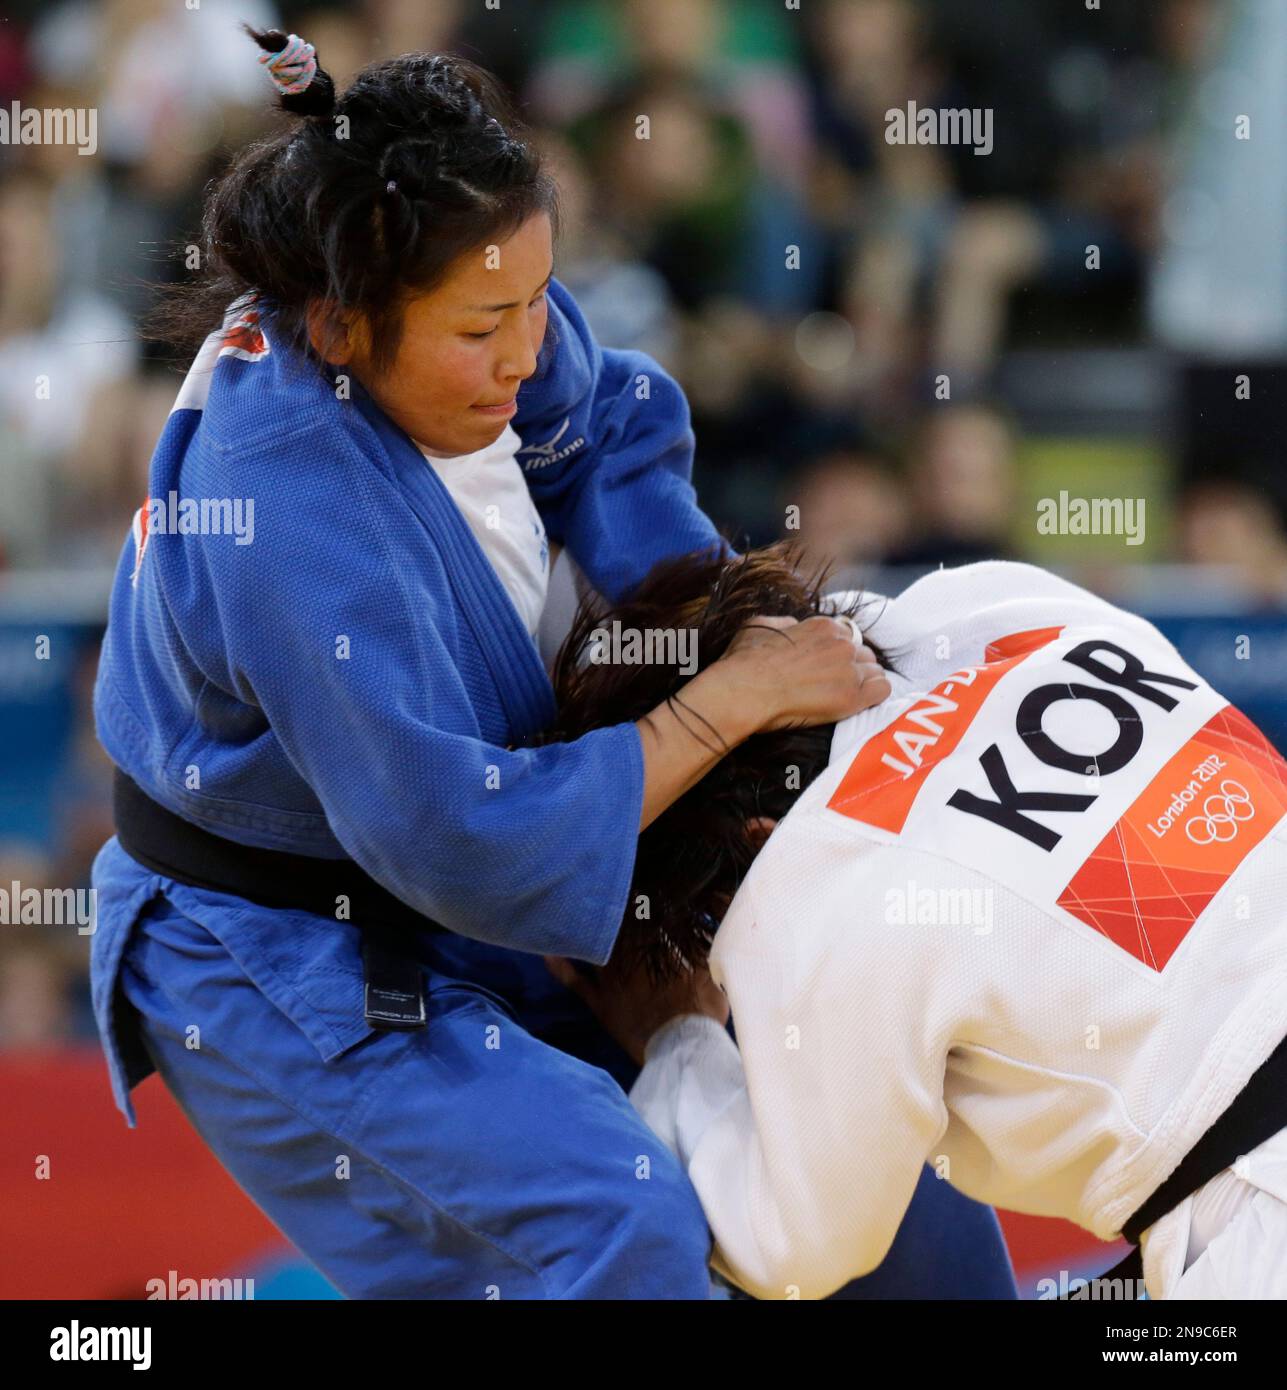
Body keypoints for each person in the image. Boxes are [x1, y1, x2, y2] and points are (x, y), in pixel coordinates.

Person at [88, 31, 1002, 1300]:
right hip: (285, 944)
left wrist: (700, 625)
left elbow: (610, 429)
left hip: (507, 862)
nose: (526, 350)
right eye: (484, 327)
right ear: (342, 325)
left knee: (889, 1196)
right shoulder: (287, 506)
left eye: (537, 299)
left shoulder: (469, 284)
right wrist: (723, 704)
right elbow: (457, 837)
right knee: (615, 1227)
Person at [547, 545, 1287, 1299]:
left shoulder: (813, 880)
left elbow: (795, 1249)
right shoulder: (1000, 606)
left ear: (752, 841)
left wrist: (677, 1036)